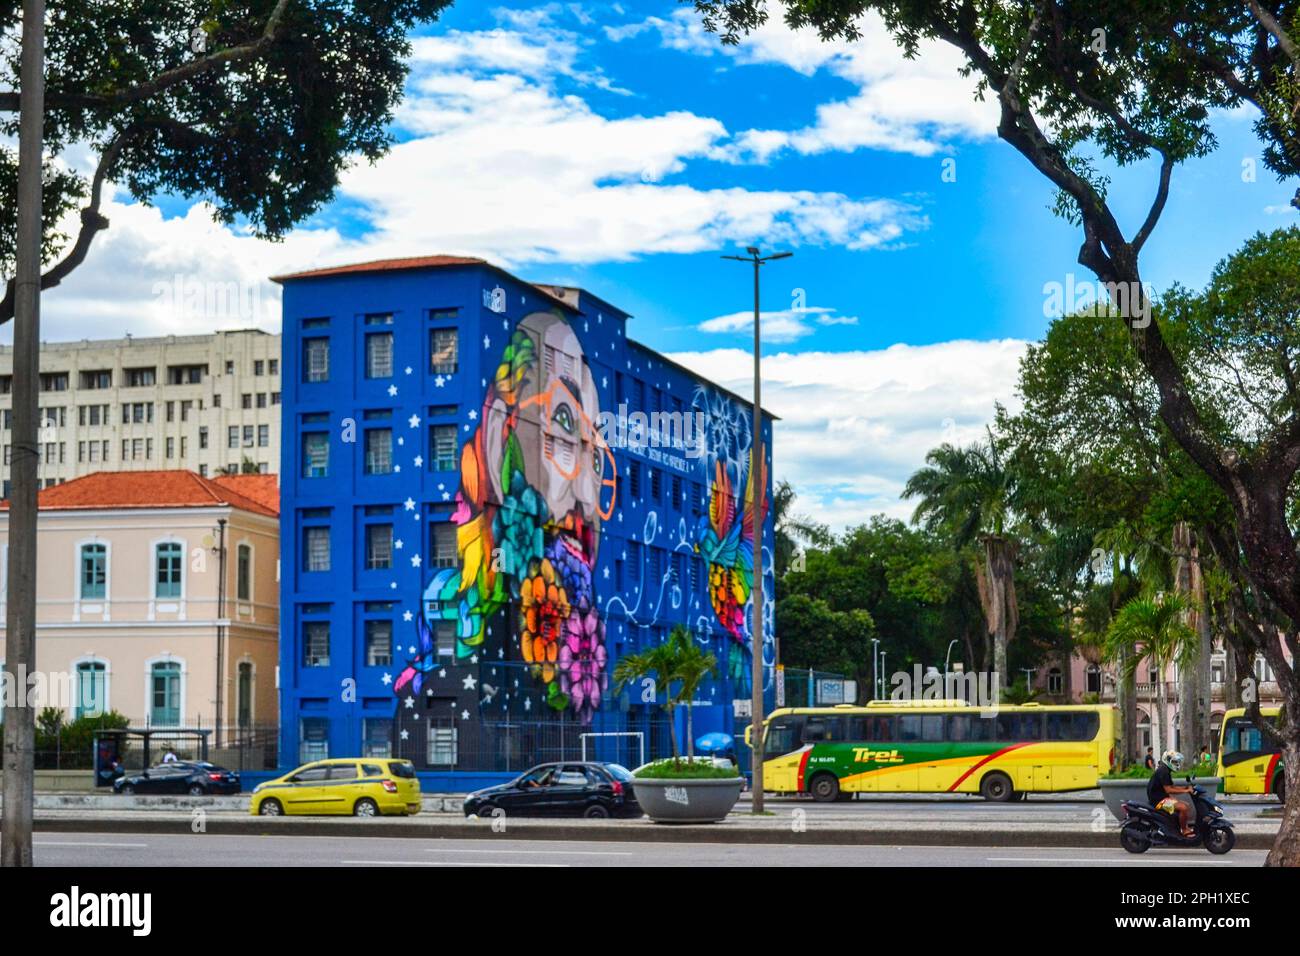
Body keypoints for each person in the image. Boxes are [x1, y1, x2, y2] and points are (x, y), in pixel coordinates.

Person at [1147, 749, 1194, 838]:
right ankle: (1184, 830)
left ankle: (1178, 827)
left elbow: (1171, 787)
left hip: (1162, 798)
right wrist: (1186, 791)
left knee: (1186, 805)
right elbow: (1169, 790)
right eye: (1175, 762)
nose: (1177, 764)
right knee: (1183, 808)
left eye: (1177, 762)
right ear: (1168, 761)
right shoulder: (1163, 771)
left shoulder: (1165, 770)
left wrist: (1185, 788)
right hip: (1158, 801)